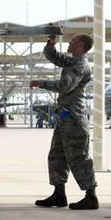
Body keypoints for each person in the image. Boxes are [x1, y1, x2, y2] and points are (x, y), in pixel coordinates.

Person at [30, 32, 97, 210]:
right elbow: (55, 57)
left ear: (81, 45)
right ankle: (59, 194)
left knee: (79, 157)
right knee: (57, 156)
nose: (69, 42)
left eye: (73, 40)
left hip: (74, 119)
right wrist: (50, 45)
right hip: (65, 118)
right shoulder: (72, 61)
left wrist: (41, 83)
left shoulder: (80, 65)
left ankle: (91, 196)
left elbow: (65, 86)